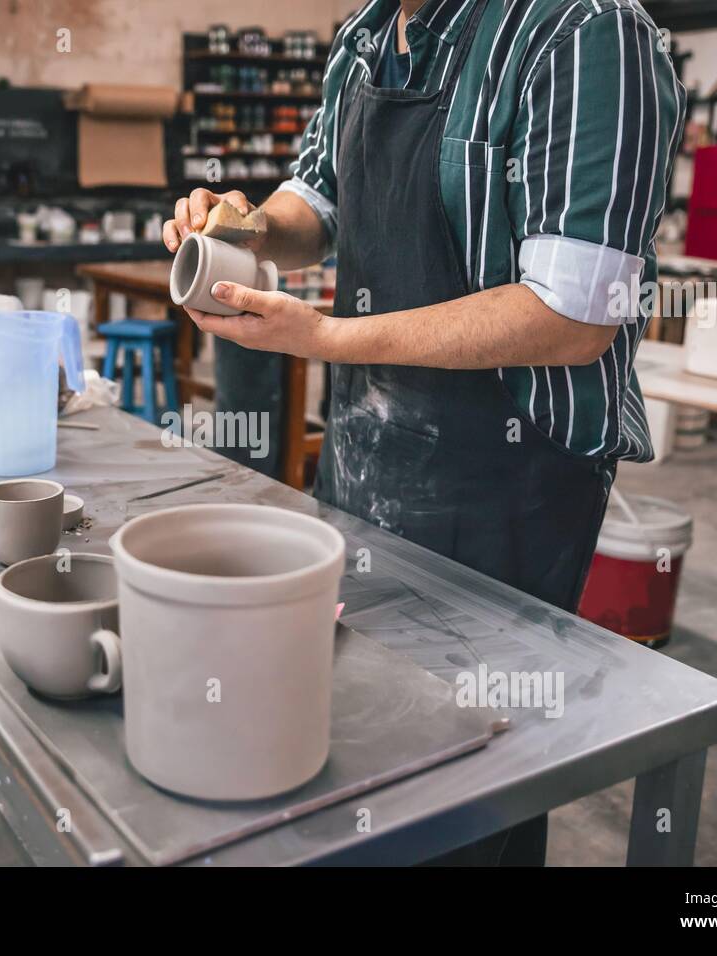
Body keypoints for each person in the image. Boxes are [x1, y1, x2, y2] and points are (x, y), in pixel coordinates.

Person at [164, 0, 684, 864]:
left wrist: (323, 338)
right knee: (359, 748)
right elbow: (315, 202)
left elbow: (575, 316)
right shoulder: (366, 36)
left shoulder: (587, 35)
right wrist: (244, 225)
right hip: (367, 454)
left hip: (507, 482)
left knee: (474, 781)